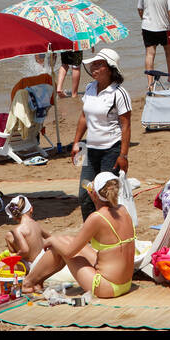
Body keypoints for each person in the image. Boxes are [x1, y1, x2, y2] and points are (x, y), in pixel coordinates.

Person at [41, 172, 136, 298]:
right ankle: (33, 281)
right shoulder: (122, 209)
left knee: (61, 248)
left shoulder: (97, 217)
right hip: (126, 283)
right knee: (67, 240)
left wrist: (51, 240)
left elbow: (69, 252)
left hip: (106, 287)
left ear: (95, 194)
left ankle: (29, 282)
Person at [71, 49, 132, 220]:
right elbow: (84, 117)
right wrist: (76, 143)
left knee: (106, 195)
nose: (93, 67)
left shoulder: (119, 93)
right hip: (89, 149)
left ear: (110, 68)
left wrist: (123, 155)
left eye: (99, 64)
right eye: (93, 64)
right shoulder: (89, 88)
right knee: (85, 193)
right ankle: (91, 233)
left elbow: (126, 126)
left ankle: (111, 229)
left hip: (111, 150)